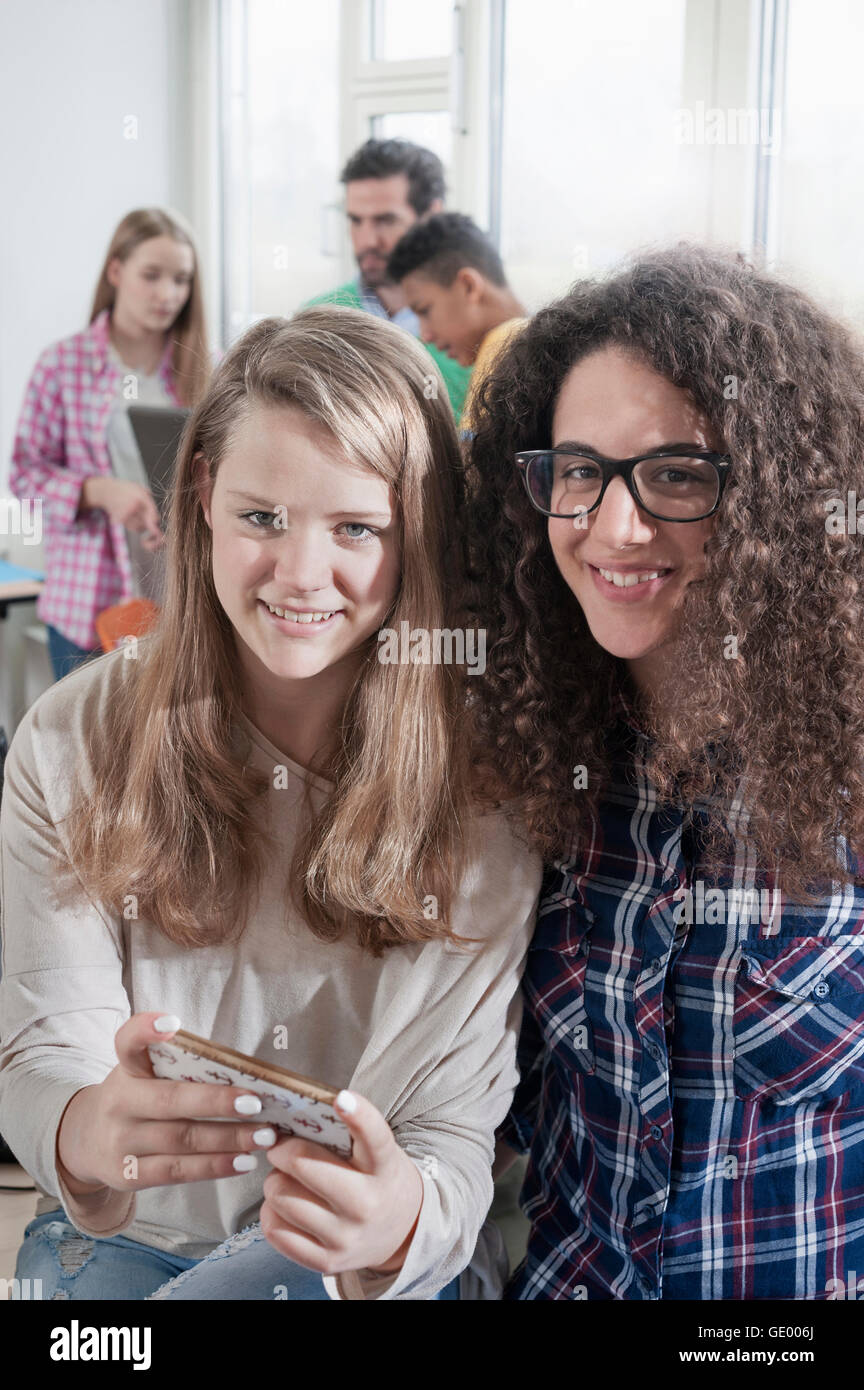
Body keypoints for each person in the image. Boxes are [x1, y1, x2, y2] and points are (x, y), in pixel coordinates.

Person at [0, 306, 541, 1301]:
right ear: (202, 496)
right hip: (133, 1241)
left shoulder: (487, 782)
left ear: (414, 536)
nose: (300, 573)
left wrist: (396, 1221)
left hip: (366, 1261)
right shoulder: (71, 737)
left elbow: (450, 1139)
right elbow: (46, 1050)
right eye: (261, 518)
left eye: (356, 528)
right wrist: (87, 1128)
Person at [462, 245, 864, 1300]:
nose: (615, 526)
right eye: (580, 471)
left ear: (778, 495)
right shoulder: (524, 761)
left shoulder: (847, 771)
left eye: (678, 473)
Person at [9, 207, 210, 681]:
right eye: (152, 276)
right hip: (87, 604)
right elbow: (22, 477)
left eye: (181, 280)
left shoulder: (205, 366)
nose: (167, 294)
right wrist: (99, 491)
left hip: (177, 599)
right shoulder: (63, 364)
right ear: (116, 271)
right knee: (89, 748)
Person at [305, 139, 472, 419]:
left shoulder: (475, 331)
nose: (368, 240)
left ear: (431, 218)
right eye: (356, 221)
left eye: (386, 221)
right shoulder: (316, 321)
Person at [386, 212, 525, 432]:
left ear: (469, 286)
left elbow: (473, 465)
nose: (425, 335)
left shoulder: (504, 343)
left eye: (425, 310)